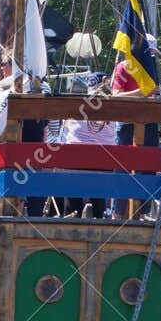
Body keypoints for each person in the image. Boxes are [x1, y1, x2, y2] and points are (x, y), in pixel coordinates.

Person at [61, 74, 116, 220]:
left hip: (74, 165)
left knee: (71, 182)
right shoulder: (114, 111)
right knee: (98, 186)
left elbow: (66, 127)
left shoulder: (77, 109)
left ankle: (72, 215)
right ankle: (98, 216)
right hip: (103, 167)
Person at [111, 36, 161, 147]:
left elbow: (156, 93)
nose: (150, 57)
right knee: (123, 160)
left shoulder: (152, 69)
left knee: (151, 161)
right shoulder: (123, 67)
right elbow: (116, 95)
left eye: (152, 54)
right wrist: (142, 91)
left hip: (150, 121)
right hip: (126, 122)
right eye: (148, 53)